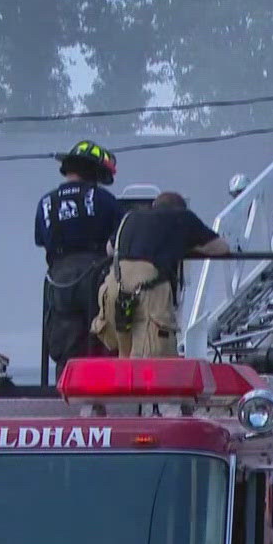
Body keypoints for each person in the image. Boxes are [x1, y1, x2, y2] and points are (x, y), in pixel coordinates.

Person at [93, 191, 232, 358]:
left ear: (154, 206)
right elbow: (221, 247)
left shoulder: (131, 217)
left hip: (115, 285)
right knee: (152, 354)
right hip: (149, 289)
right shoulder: (183, 217)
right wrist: (189, 246)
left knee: (123, 350)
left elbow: (109, 249)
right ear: (180, 207)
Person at [35, 140, 127, 371]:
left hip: (59, 279)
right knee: (101, 338)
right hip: (96, 274)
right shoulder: (105, 200)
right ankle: (99, 399)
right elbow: (120, 239)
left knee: (66, 344)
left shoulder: (46, 203)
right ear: (95, 171)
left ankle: (67, 395)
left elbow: (41, 240)